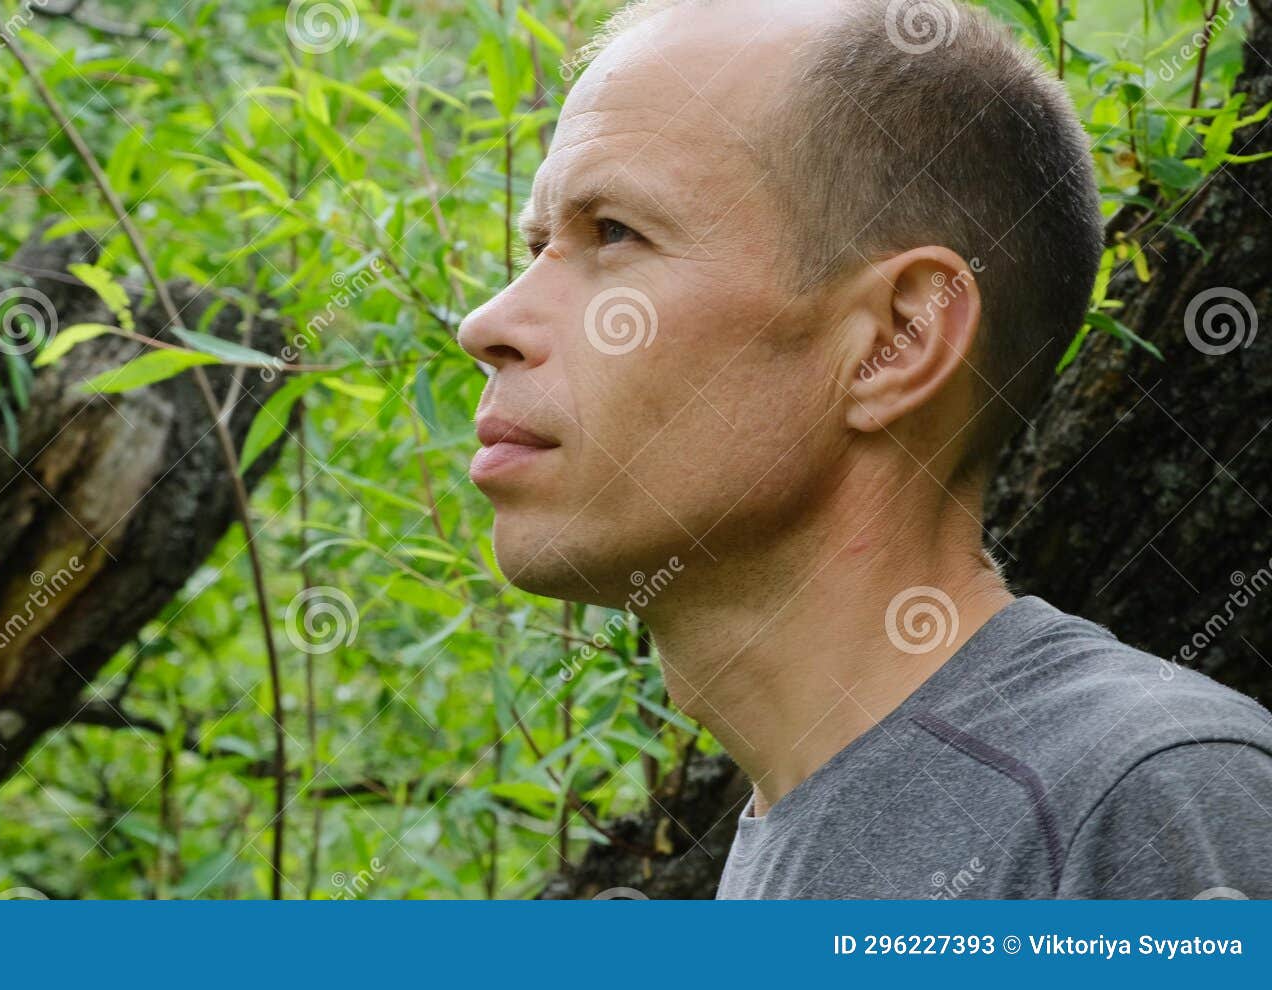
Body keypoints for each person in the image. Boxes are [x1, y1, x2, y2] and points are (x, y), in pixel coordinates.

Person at [456, 0, 1272, 898]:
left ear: (897, 340)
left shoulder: (1142, 799)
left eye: (614, 232)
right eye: (537, 245)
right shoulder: (796, 833)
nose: (486, 323)